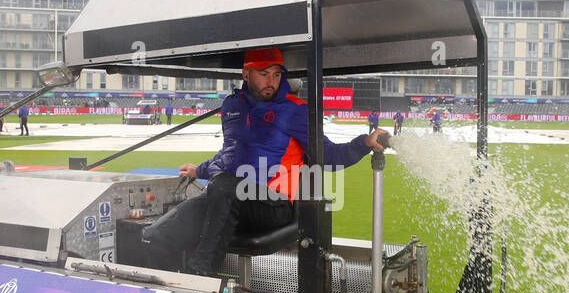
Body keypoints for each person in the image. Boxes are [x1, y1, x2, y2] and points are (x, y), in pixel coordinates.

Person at [142, 47, 388, 277]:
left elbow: (328, 156)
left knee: (224, 186)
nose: (271, 81)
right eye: (264, 74)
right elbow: (230, 154)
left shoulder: (296, 110)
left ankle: (201, 275)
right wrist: (200, 169)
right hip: (228, 196)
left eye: (276, 74)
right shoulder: (232, 106)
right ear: (246, 74)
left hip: (274, 205)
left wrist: (364, 143)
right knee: (155, 236)